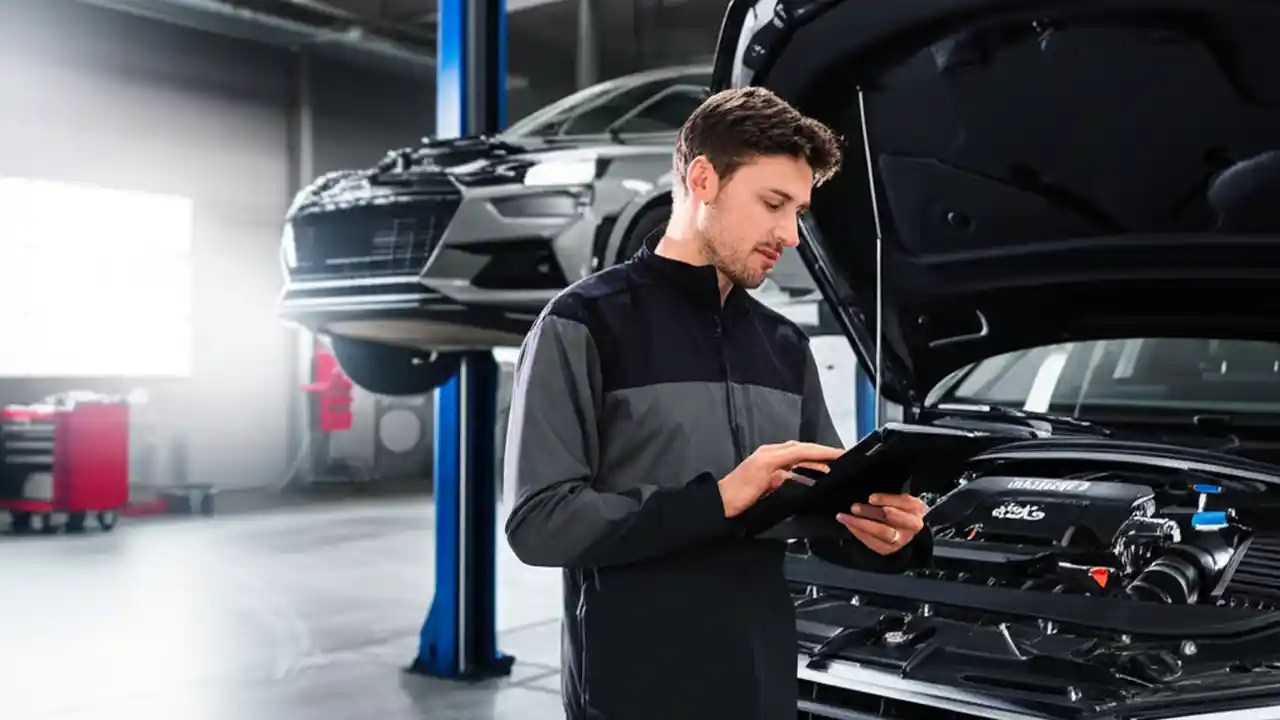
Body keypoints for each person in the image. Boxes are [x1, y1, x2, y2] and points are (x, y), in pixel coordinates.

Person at [503, 86, 932, 720]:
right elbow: (538, 523)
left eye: (799, 211)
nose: (790, 233)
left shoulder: (785, 346)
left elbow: (821, 511)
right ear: (703, 178)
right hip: (631, 687)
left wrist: (888, 536)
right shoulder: (583, 324)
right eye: (773, 204)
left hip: (760, 680)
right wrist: (719, 499)